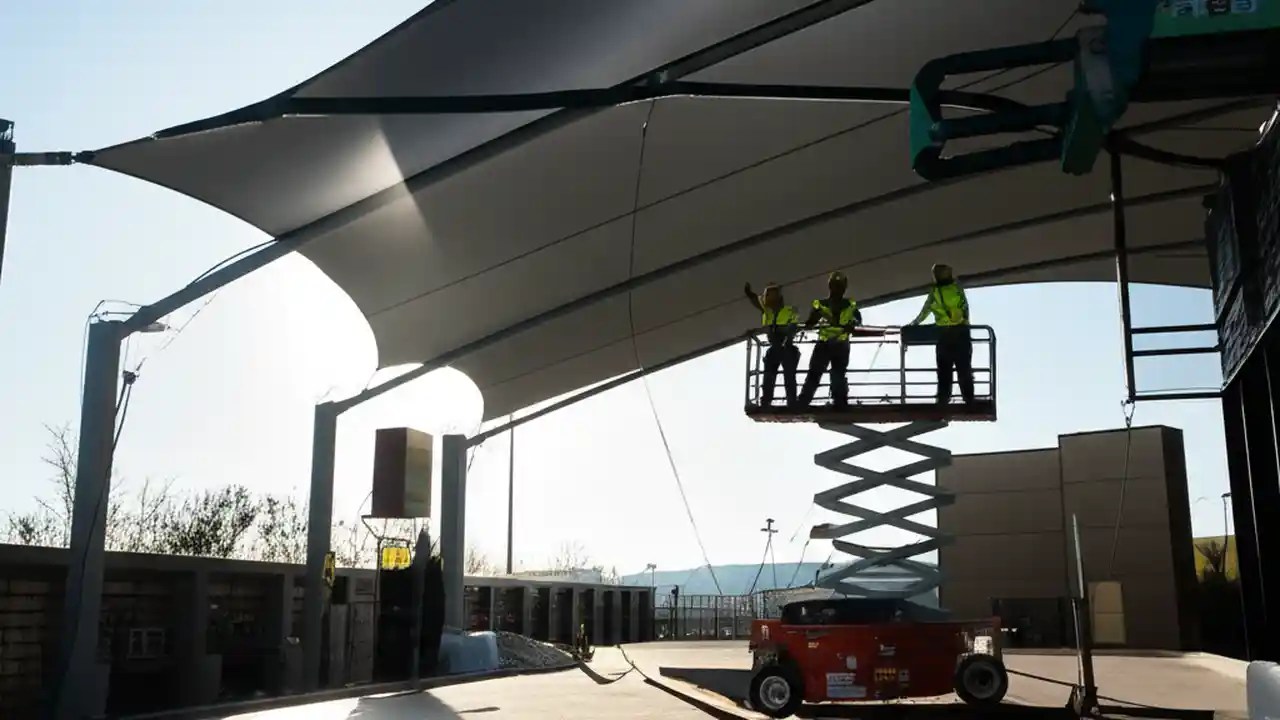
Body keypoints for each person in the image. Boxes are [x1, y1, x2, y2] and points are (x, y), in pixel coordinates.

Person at [909, 263, 974, 405]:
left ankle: (943, 399)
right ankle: (969, 399)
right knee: (964, 368)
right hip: (961, 332)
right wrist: (965, 325)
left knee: (944, 370)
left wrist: (913, 325)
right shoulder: (957, 288)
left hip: (944, 335)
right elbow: (965, 307)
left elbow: (925, 311)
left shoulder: (935, 292)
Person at [798, 271, 862, 408]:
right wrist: (812, 320)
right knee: (815, 373)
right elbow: (811, 322)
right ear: (830, 286)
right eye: (835, 285)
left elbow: (858, 320)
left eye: (840, 286)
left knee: (837, 374)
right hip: (825, 344)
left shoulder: (850, 305)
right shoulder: (820, 304)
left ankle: (839, 402)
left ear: (844, 288)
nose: (838, 289)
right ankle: (803, 401)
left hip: (840, 344)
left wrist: (852, 325)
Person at [744, 282, 800, 407]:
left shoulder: (789, 311)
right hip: (776, 347)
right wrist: (749, 293)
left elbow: (793, 328)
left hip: (786, 347)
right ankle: (767, 401)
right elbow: (756, 302)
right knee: (770, 375)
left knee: (788, 376)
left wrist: (786, 342)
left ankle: (791, 402)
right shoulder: (768, 311)